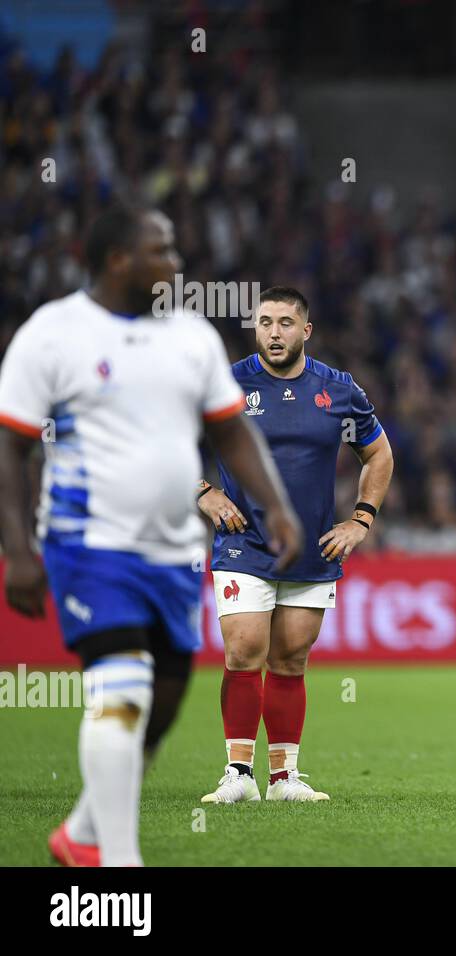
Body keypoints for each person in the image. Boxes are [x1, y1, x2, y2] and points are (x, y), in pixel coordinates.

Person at [0, 205, 301, 866]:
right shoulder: (52, 335)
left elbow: (229, 431)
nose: (176, 263)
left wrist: (275, 505)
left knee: (157, 710)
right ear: (118, 261)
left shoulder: (191, 336)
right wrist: (18, 551)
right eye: (161, 250)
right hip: (88, 544)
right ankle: (119, 863)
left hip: (171, 551)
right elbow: (10, 449)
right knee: (124, 688)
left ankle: (80, 834)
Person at [198, 286, 392, 804]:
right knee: (244, 650)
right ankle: (238, 774)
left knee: (291, 658)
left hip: (312, 548)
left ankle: (284, 777)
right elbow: (168, 441)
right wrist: (204, 492)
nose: (274, 332)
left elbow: (379, 456)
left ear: (305, 331)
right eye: (265, 322)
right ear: (254, 328)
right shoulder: (228, 385)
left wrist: (360, 521)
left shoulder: (338, 389)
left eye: (286, 323)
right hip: (244, 542)